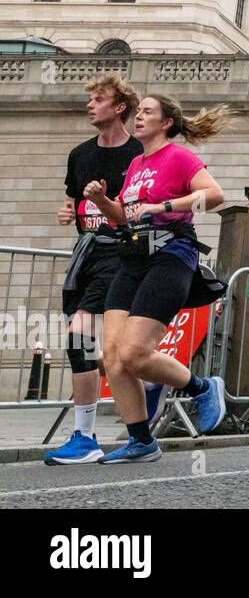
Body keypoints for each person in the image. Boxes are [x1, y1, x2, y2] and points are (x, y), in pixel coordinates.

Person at [90, 95, 234, 463]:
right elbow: (122, 217)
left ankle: (202, 388)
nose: (138, 117)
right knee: (112, 355)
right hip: (134, 257)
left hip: (170, 256)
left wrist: (166, 206)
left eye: (147, 112)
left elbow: (214, 196)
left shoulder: (179, 157)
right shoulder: (137, 163)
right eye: (138, 113)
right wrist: (103, 200)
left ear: (166, 122)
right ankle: (141, 440)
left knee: (135, 352)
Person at [44, 75, 144, 466]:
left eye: (98, 99)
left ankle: (85, 436)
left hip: (121, 254)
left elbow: (138, 209)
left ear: (119, 107)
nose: (89, 105)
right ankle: (150, 378)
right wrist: (68, 210)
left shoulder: (139, 154)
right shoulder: (80, 154)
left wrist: (107, 204)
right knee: (98, 349)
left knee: (79, 334)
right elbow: (72, 200)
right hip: (84, 255)